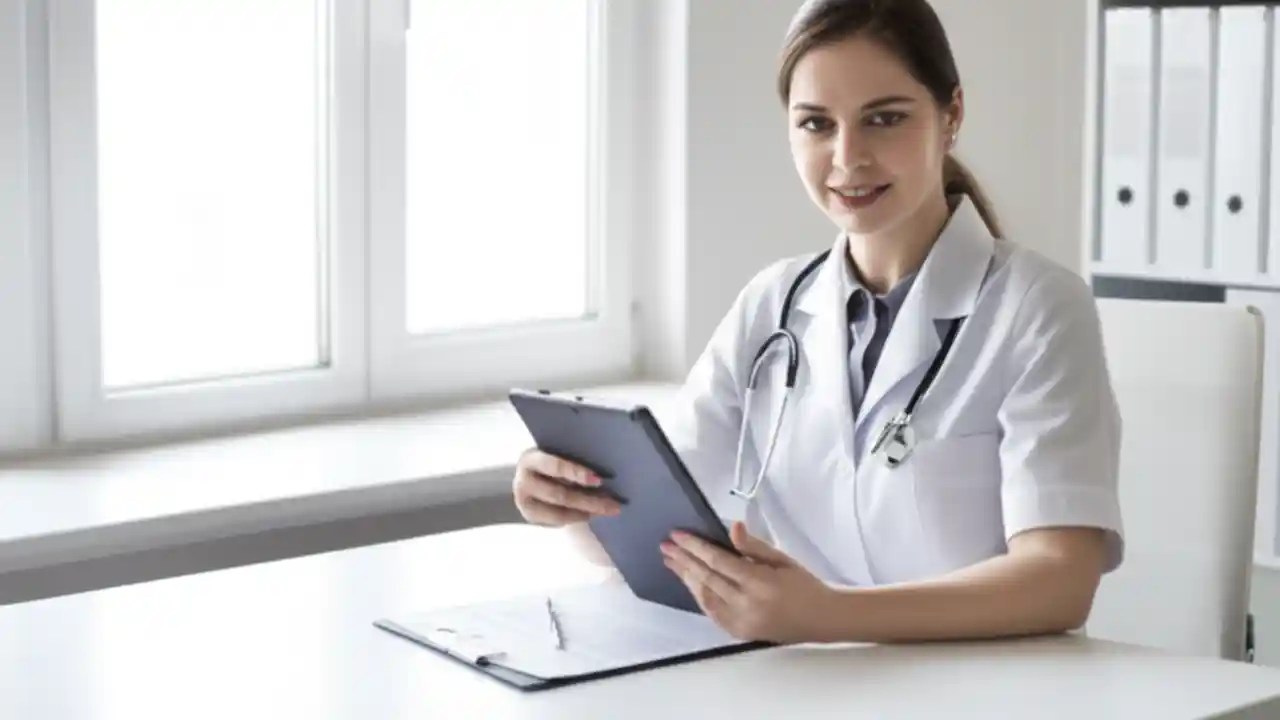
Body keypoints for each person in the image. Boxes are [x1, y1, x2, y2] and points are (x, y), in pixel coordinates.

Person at [512, 0, 1123, 645]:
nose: (847, 157)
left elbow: (1061, 578)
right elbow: (665, 532)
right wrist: (571, 503)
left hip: (987, 690)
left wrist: (827, 615)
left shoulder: (1039, 308)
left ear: (951, 116)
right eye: (816, 124)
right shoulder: (771, 304)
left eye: (884, 119)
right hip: (817, 684)